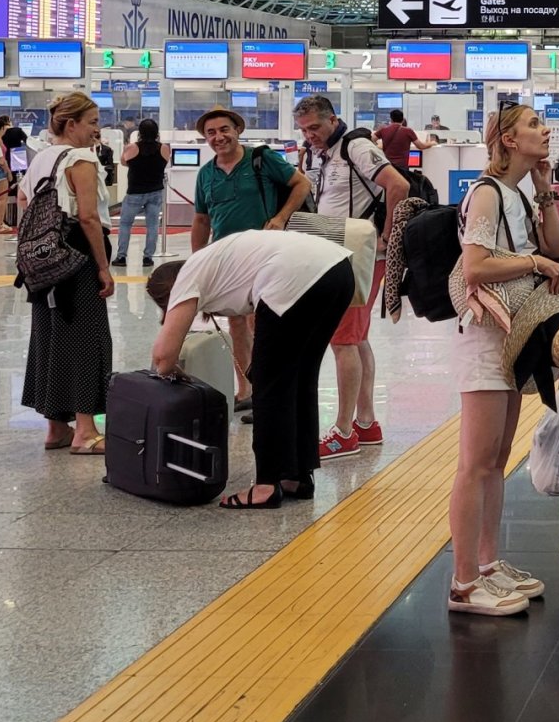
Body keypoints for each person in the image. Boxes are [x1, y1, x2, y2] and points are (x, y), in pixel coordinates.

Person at [446, 105, 559, 616]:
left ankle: (488, 563)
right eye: (534, 126)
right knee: (475, 464)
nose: (546, 131)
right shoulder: (487, 193)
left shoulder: (517, 193)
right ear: (508, 139)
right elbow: (475, 267)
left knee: (497, 460)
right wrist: (533, 262)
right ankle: (463, 582)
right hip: (486, 338)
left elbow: (558, 249)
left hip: (511, 337)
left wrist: (544, 186)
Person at [147, 229, 356, 508]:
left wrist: (173, 371)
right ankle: (297, 475)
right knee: (301, 377)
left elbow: (163, 357)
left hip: (294, 275)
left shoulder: (187, 278)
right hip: (337, 269)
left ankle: (266, 486)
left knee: (269, 388)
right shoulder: (211, 262)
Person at [293, 93, 409, 460]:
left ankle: (344, 431)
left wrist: (388, 236)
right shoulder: (315, 153)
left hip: (358, 253)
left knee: (343, 339)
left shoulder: (355, 146)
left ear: (332, 120)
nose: (310, 134)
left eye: (315, 127)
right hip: (332, 249)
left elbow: (399, 186)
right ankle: (366, 422)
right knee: (356, 338)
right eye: (304, 129)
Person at [192, 108, 311, 413]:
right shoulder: (206, 173)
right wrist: (197, 263)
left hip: (266, 254)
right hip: (227, 258)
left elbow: (302, 184)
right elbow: (202, 220)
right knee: (235, 323)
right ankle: (246, 389)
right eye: (211, 133)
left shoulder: (261, 159)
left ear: (238, 130)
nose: (219, 137)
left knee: (262, 322)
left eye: (224, 130)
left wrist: (281, 218)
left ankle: (269, 391)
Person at [20, 95, 114, 454]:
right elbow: (89, 217)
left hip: (44, 258)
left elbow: (25, 205)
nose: (96, 128)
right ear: (70, 124)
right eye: (91, 121)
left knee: (50, 334)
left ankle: (56, 427)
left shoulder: (39, 158)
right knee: (87, 336)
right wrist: (103, 266)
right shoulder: (81, 159)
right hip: (78, 253)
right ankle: (86, 431)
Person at [115, 118, 169, 269]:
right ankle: (148, 258)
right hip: (156, 191)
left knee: (125, 224)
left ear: (139, 132)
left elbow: (123, 162)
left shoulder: (131, 148)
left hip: (134, 193)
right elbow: (165, 162)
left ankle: (121, 257)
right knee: (152, 225)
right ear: (156, 132)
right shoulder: (164, 148)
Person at [376, 108, 418, 172]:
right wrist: (431, 143)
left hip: (388, 165)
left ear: (391, 119)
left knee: (388, 181)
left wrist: (378, 145)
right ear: (402, 120)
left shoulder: (383, 130)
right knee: (403, 181)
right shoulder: (408, 131)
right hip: (403, 166)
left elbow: (370, 139)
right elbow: (420, 146)